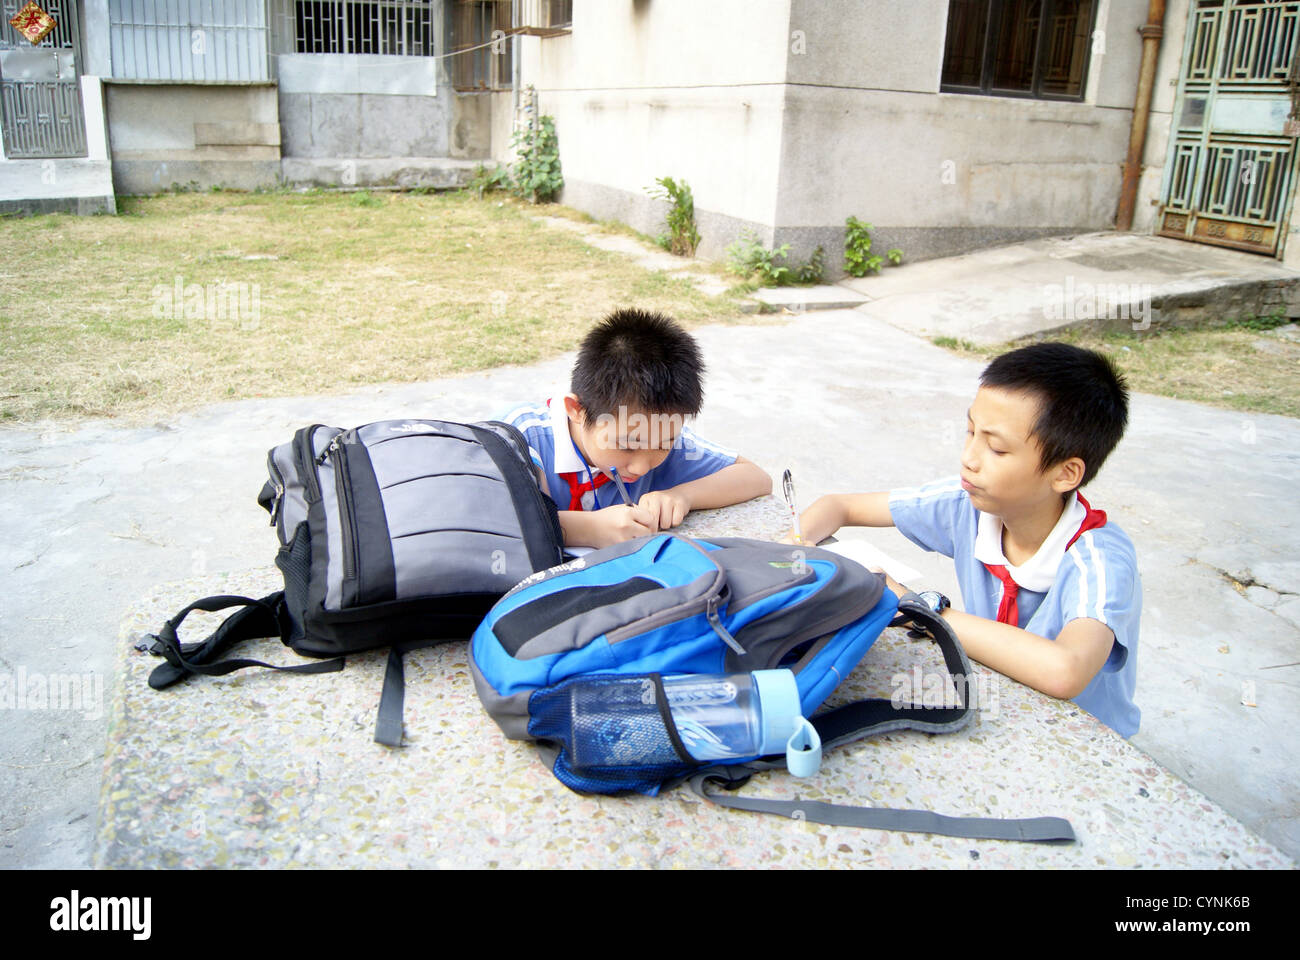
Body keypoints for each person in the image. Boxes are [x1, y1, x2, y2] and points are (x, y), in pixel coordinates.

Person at [792, 342, 1140, 736]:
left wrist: (918, 607)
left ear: (1065, 473)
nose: (969, 458)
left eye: (996, 447)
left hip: (1083, 739)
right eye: (971, 431)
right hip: (995, 702)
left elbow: (1066, 671)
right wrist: (795, 543)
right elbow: (839, 506)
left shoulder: (1098, 559)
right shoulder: (968, 504)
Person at [500, 308, 772, 549]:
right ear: (576, 410)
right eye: (627, 445)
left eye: (664, 444)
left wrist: (682, 495)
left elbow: (755, 478)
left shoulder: (655, 432)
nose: (642, 467)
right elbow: (482, 519)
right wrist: (585, 529)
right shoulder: (518, 436)